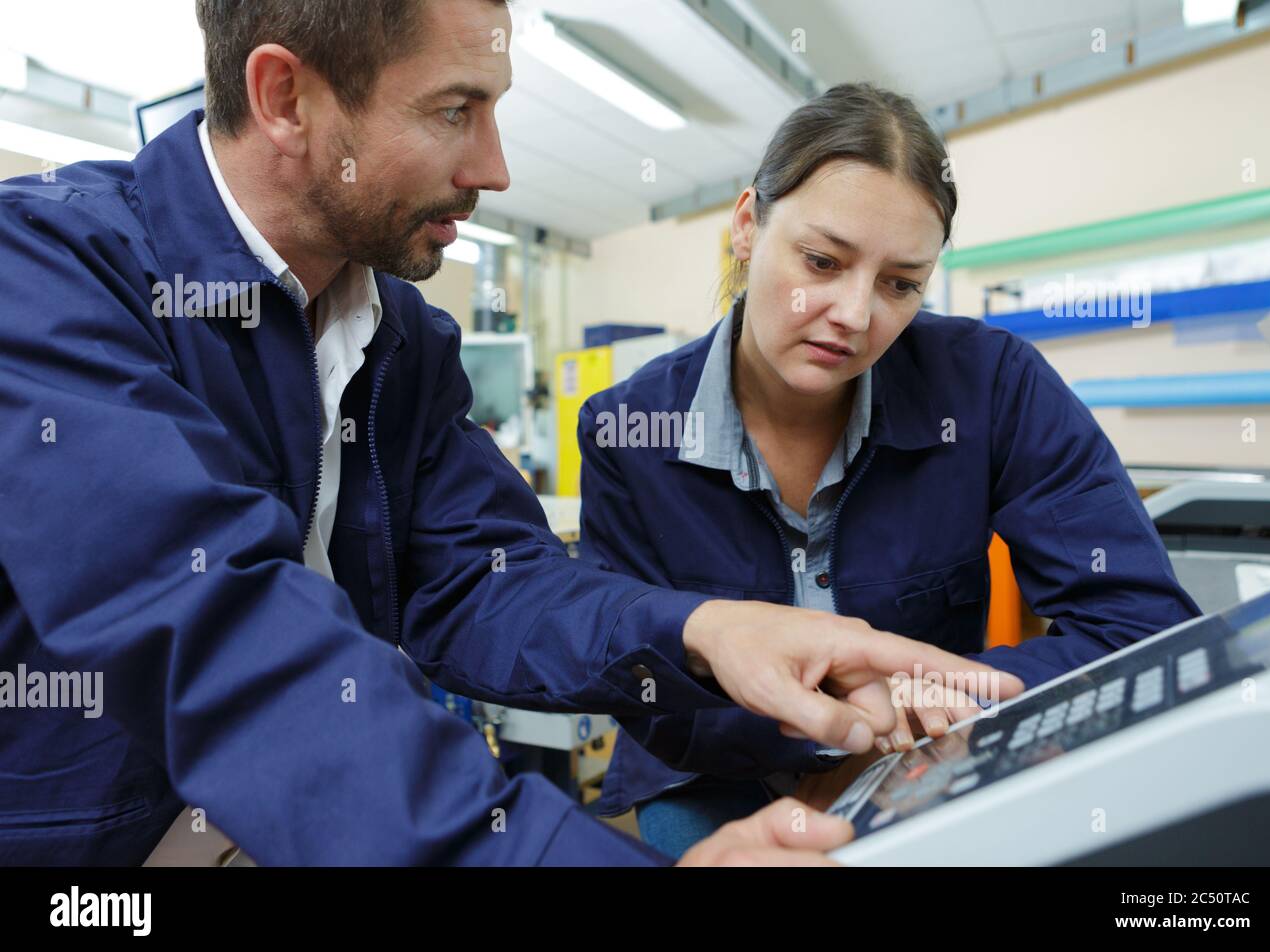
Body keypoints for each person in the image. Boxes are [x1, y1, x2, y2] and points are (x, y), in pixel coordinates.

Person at [0, 1, 1016, 866]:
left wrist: (703, 631)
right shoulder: (45, 273)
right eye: (456, 110)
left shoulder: (399, 339)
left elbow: (490, 578)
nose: (493, 166)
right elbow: (223, 633)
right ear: (285, 98)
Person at [577, 82, 1202, 858]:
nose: (855, 313)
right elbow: (638, 682)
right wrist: (830, 739)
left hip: (925, 755)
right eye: (821, 260)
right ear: (747, 226)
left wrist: (921, 710)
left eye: (900, 283)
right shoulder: (625, 429)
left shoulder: (990, 385)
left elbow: (1143, 629)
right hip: (709, 774)